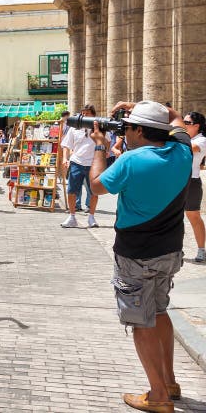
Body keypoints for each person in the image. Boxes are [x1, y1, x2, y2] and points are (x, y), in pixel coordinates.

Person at [88, 101, 191, 411]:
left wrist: (99, 148)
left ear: (138, 130)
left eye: (128, 126)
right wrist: (145, 108)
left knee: (141, 322)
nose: (125, 132)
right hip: (170, 250)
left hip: (136, 254)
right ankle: (170, 382)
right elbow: (177, 120)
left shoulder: (131, 161)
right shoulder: (183, 152)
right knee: (159, 312)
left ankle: (158, 395)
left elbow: (96, 187)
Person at [61, 104, 99, 228]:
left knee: (94, 192)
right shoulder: (74, 128)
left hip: (93, 164)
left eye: (87, 113)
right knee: (71, 191)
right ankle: (72, 217)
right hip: (77, 162)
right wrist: (65, 158)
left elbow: (107, 143)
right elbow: (67, 145)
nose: (84, 115)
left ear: (93, 115)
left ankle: (91, 217)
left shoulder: (99, 128)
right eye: (83, 113)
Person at [183, 111, 206, 262]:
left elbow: (190, 148)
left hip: (192, 182)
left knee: (194, 216)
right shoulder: (183, 139)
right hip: (176, 181)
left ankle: (201, 250)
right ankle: (175, 249)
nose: (184, 125)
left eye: (187, 123)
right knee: (173, 217)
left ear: (196, 126)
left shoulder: (202, 140)